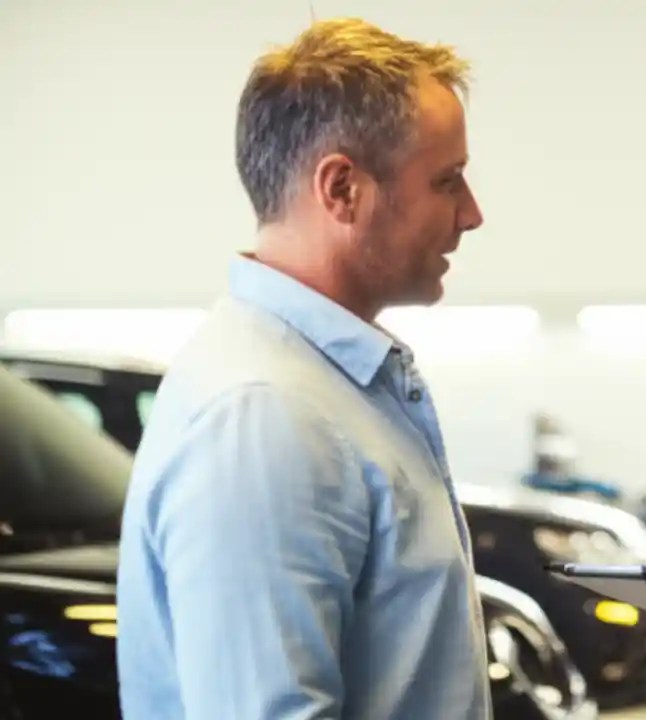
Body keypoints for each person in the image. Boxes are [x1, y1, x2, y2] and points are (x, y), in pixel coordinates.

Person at [115, 18, 490, 720]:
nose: (471, 215)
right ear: (342, 189)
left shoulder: (329, 386)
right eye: (448, 181)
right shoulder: (263, 416)